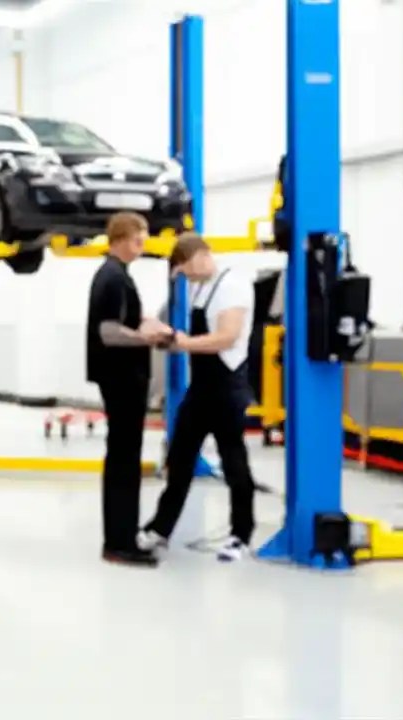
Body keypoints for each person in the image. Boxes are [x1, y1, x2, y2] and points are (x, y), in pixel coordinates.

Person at [135, 233, 258, 562]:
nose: (186, 278)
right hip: (202, 385)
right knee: (180, 458)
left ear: (202, 257)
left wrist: (182, 343)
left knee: (234, 461)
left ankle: (241, 535)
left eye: (187, 270)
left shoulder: (233, 284)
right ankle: (160, 529)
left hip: (227, 384)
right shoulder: (197, 284)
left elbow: (227, 337)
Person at [85, 211, 172, 565]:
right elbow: (107, 330)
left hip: (123, 379)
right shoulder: (112, 277)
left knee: (124, 459)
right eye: (138, 238)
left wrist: (144, 323)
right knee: (123, 461)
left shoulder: (118, 276)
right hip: (121, 379)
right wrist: (144, 336)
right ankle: (119, 542)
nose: (142, 244)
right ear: (120, 238)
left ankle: (121, 536)